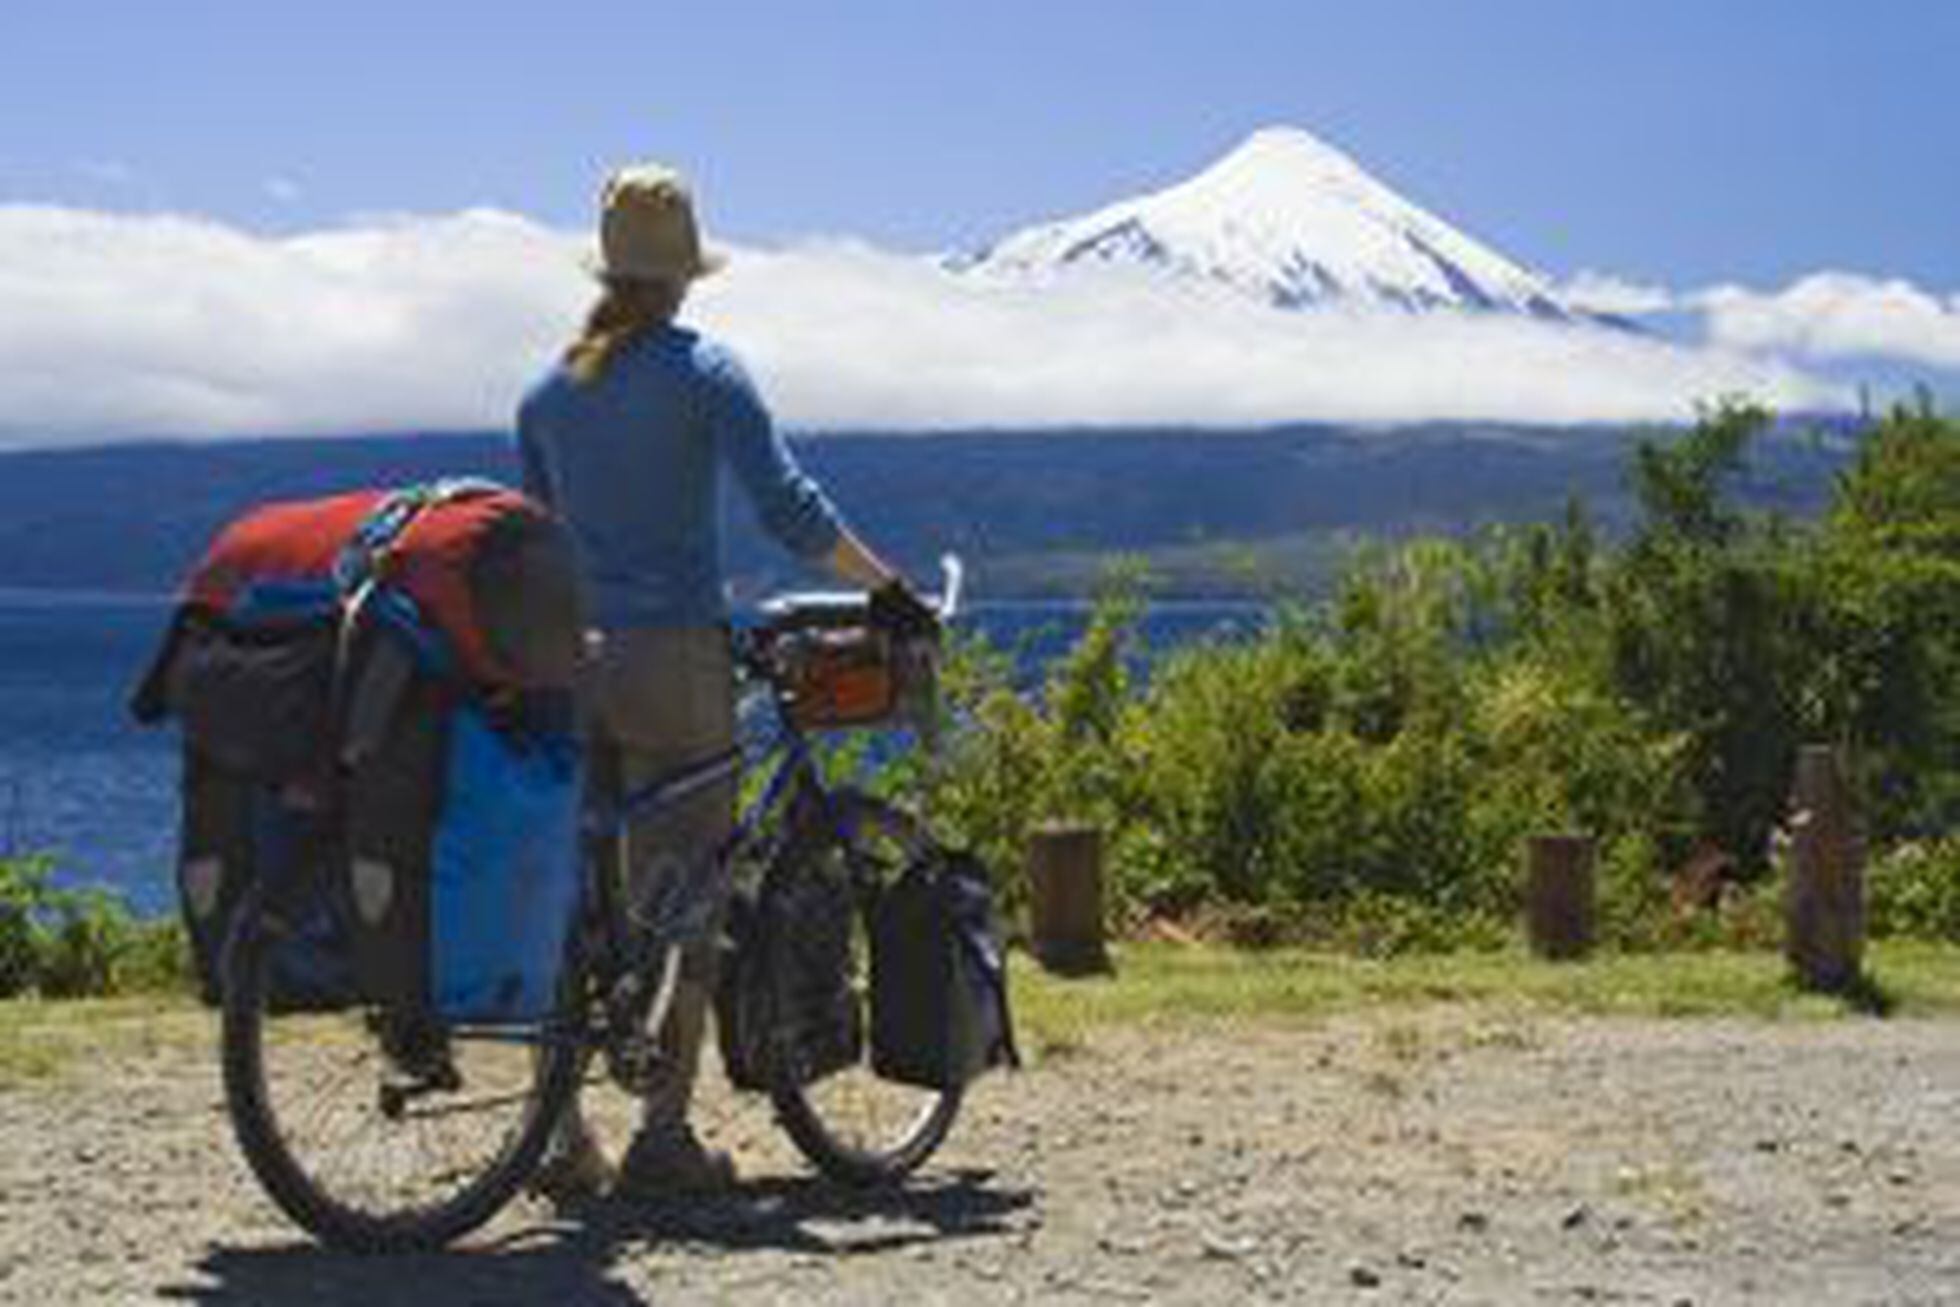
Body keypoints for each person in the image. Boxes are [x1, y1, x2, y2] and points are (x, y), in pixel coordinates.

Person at [514, 162, 924, 1200]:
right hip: (671, 657)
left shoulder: (549, 391)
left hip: (568, 662)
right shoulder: (706, 374)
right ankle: (662, 1137)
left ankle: (556, 1139)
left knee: (570, 898)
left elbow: (537, 539)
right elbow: (789, 509)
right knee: (689, 891)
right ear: (687, 273)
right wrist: (886, 587)